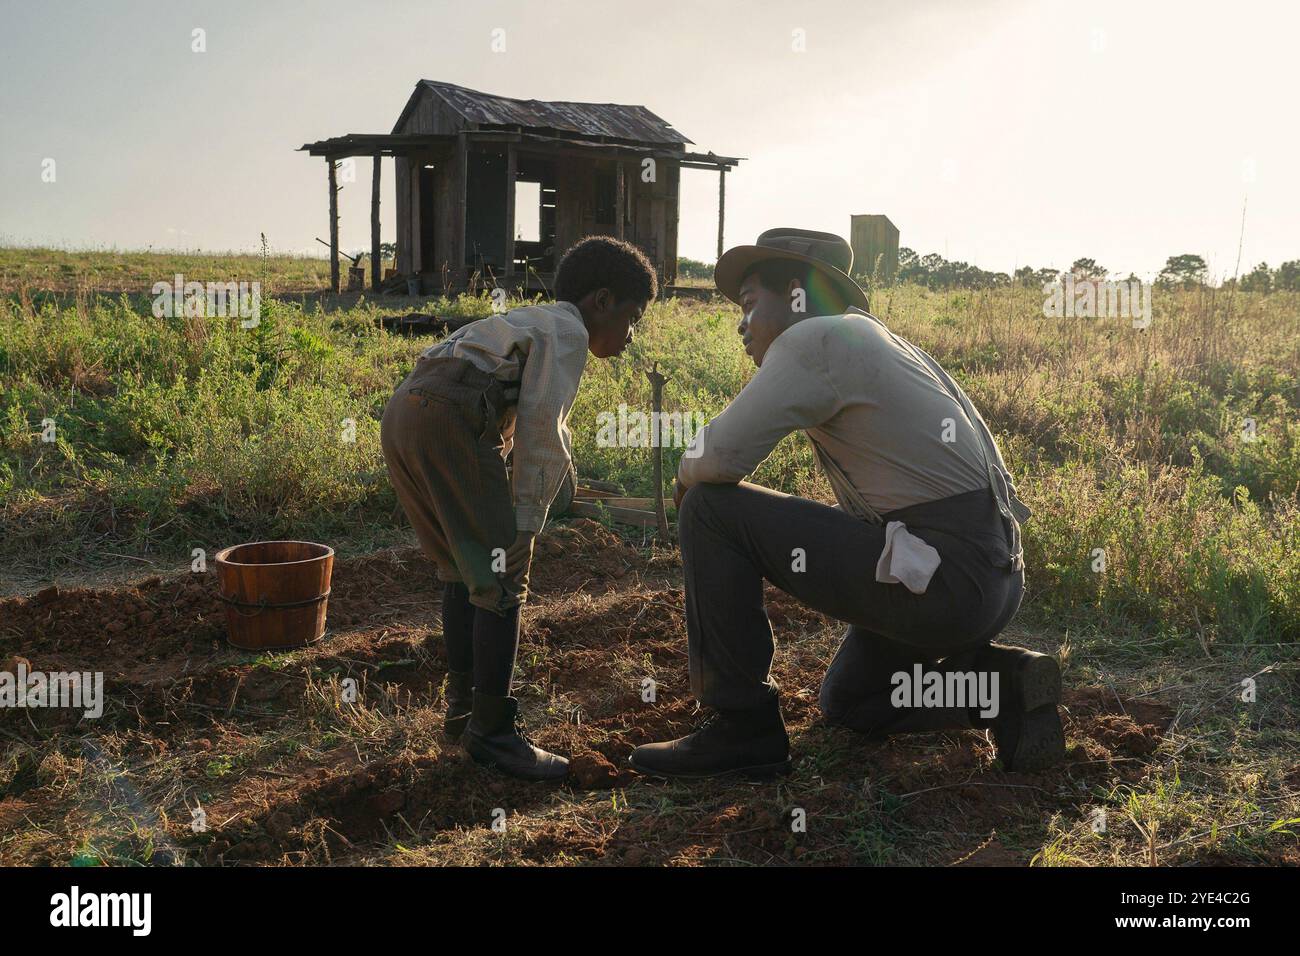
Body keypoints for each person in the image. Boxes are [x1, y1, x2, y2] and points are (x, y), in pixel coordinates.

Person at [630, 228, 1062, 779]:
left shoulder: (817, 340)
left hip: (942, 576)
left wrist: (686, 485)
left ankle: (742, 728)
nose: (740, 324)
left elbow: (716, 457)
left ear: (794, 293)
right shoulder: (872, 339)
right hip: (984, 581)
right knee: (849, 701)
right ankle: (1001, 688)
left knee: (711, 510)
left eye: (748, 304)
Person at [381, 237, 655, 780]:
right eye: (633, 318)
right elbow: (540, 429)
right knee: (502, 580)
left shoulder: (528, 320)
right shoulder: (570, 331)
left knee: (462, 571)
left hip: (406, 412)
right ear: (602, 300)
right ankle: (494, 734)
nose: (632, 336)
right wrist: (525, 522)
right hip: (450, 416)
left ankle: (462, 713)